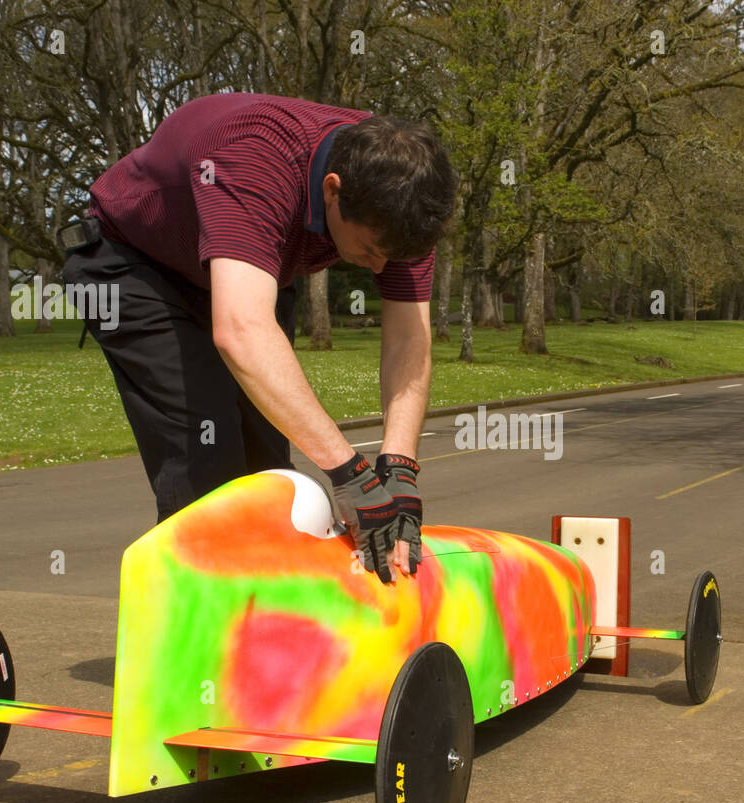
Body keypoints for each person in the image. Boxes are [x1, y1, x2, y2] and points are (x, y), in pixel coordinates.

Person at [59, 94, 458, 584]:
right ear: (333, 190)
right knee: (209, 467)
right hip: (138, 266)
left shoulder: (406, 193)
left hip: (251, 273)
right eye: (372, 250)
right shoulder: (254, 156)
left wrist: (399, 469)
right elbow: (240, 330)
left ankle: (268, 628)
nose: (379, 268)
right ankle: (200, 645)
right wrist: (351, 475)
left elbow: (407, 343)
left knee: (269, 479)